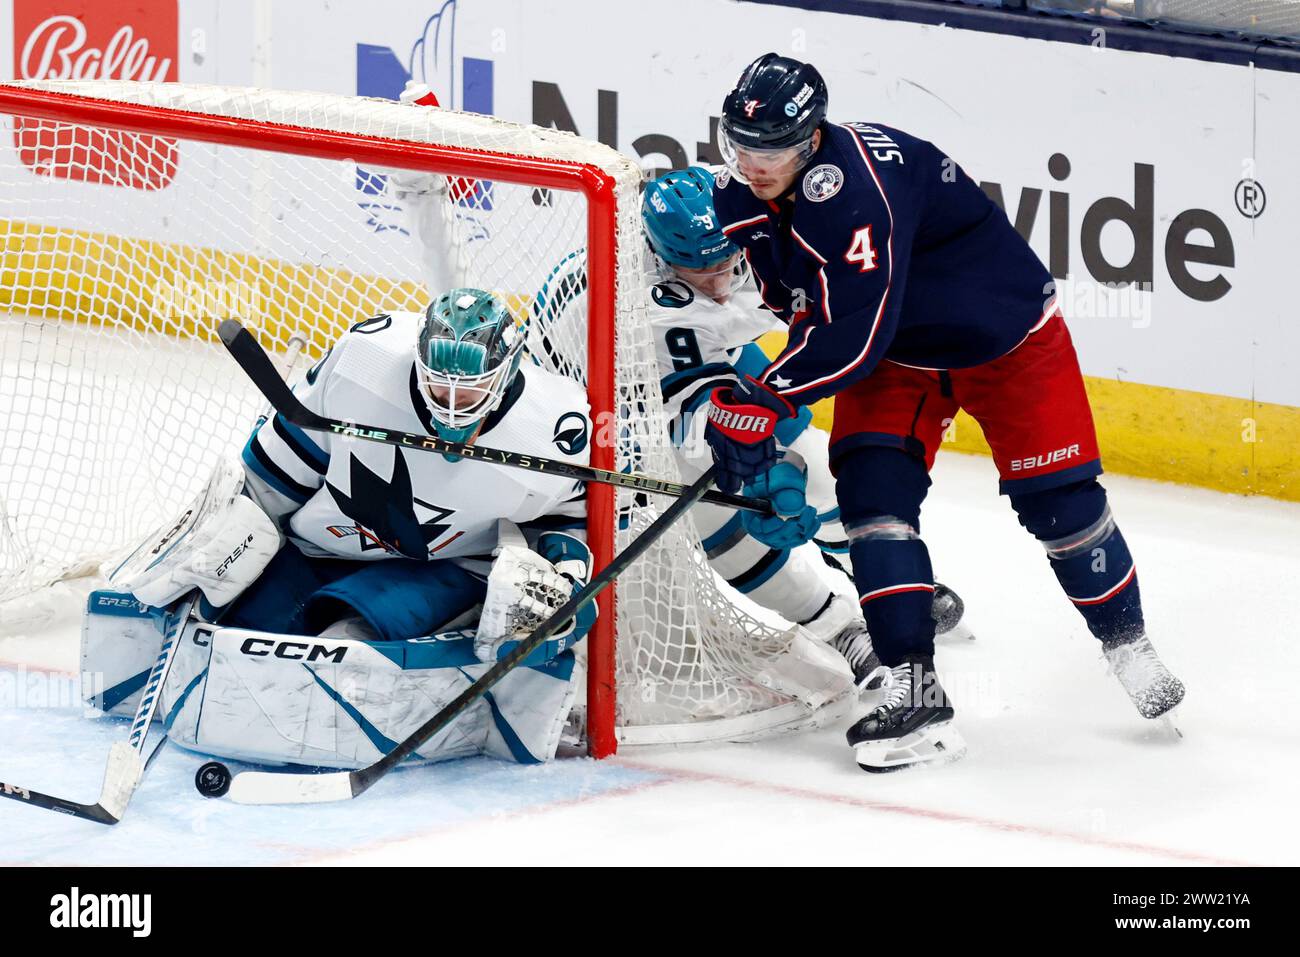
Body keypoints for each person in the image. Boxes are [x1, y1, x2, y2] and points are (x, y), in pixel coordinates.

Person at [703, 53, 1185, 771]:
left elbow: (852, 338)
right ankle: (916, 694)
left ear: (811, 139)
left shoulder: (856, 193)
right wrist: (747, 395)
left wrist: (764, 399)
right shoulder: (740, 193)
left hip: (1005, 337)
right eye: (741, 144)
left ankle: (1128, 644)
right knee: (872, 502)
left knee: (1062, 506)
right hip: (900, 357)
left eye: (771, 148)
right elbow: (797, 307)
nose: (753, 162)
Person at [90, 285, 598, 768]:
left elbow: (567, 517)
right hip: (320, 545)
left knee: (342, 647)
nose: (448, 402)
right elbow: (282, 464)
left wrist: (564, 574)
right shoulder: (364, 362)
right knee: (231, 628)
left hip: (443, 567)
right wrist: (231, 530)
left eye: (467, 392)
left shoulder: (554, 429)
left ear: (506, 374)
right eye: (438, 383)